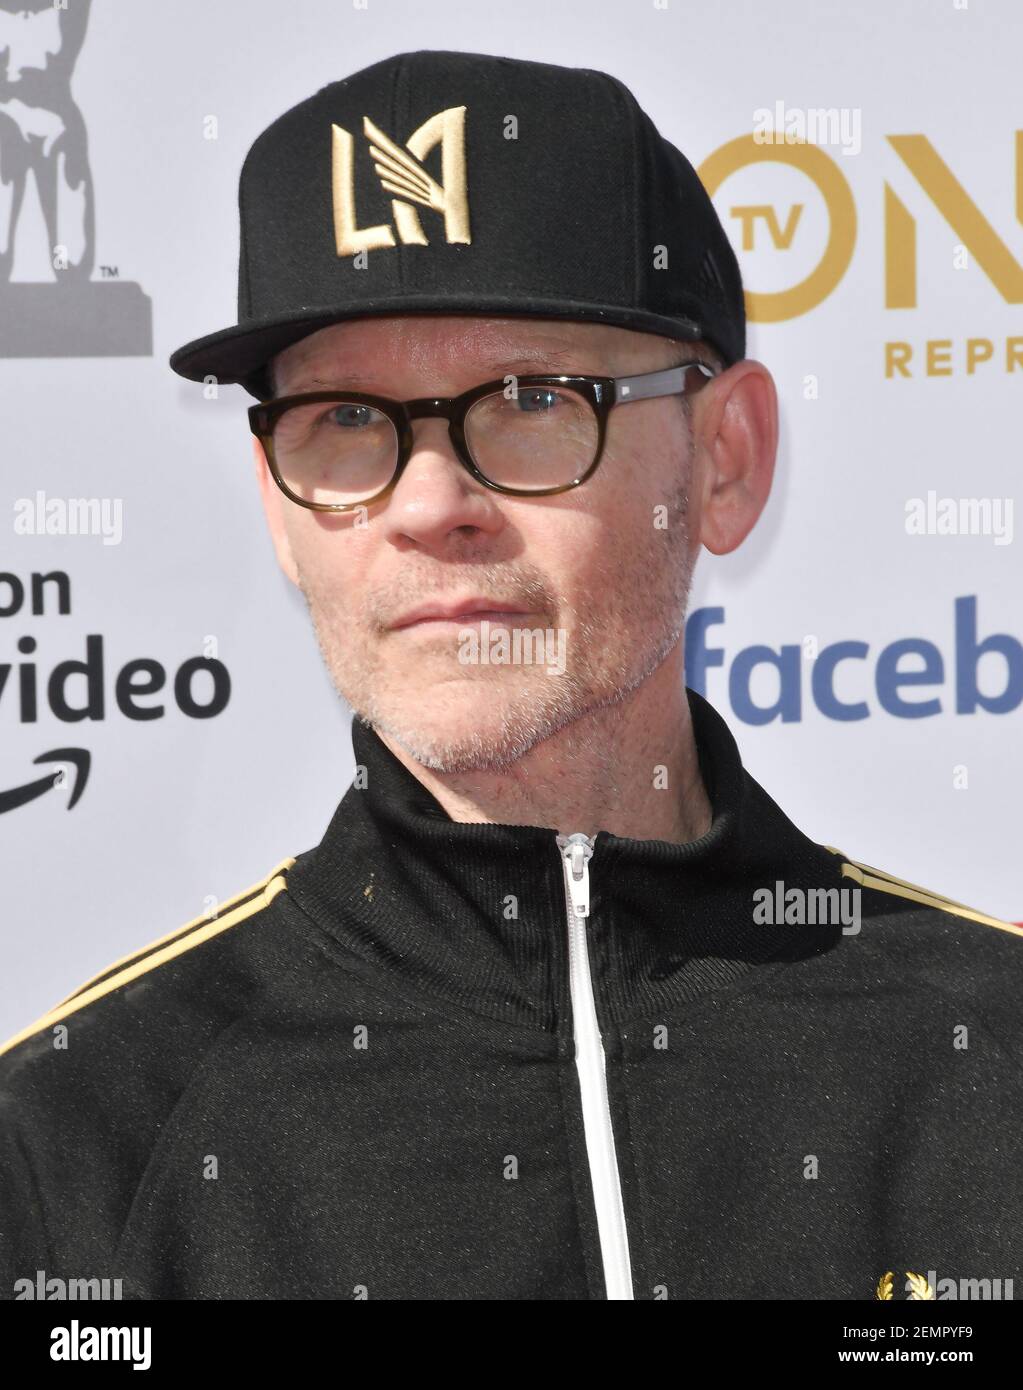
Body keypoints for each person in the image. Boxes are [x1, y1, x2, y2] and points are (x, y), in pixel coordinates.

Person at [2, 49, 1020, 1304]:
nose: (430, 503)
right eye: (347, 420)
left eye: (533, 398)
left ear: (725, 461)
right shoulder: (69, 1143)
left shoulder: (995, 1057)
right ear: (277, 503)